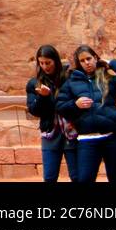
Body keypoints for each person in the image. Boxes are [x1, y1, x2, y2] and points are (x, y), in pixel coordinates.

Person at [56, 45, 116, 182]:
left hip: (114, 137)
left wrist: (111, 63)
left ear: (95, 58)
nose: (86, 63)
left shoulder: (107, 79)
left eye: (89, 58)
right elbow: (60, 106)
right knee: (84, 179)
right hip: (87, 139)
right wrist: (75, 105)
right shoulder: (72, 82)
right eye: (82, 61)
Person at [25, 45, 75, 182]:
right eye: (41, 63)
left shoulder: (68, 77)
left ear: (55, 61)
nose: (45, 66)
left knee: (76, 176)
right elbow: (34, 110)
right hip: (50, 132)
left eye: (48, 62)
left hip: (71, 131)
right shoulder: (34, 83)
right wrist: (43, 97)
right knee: (50, 176)